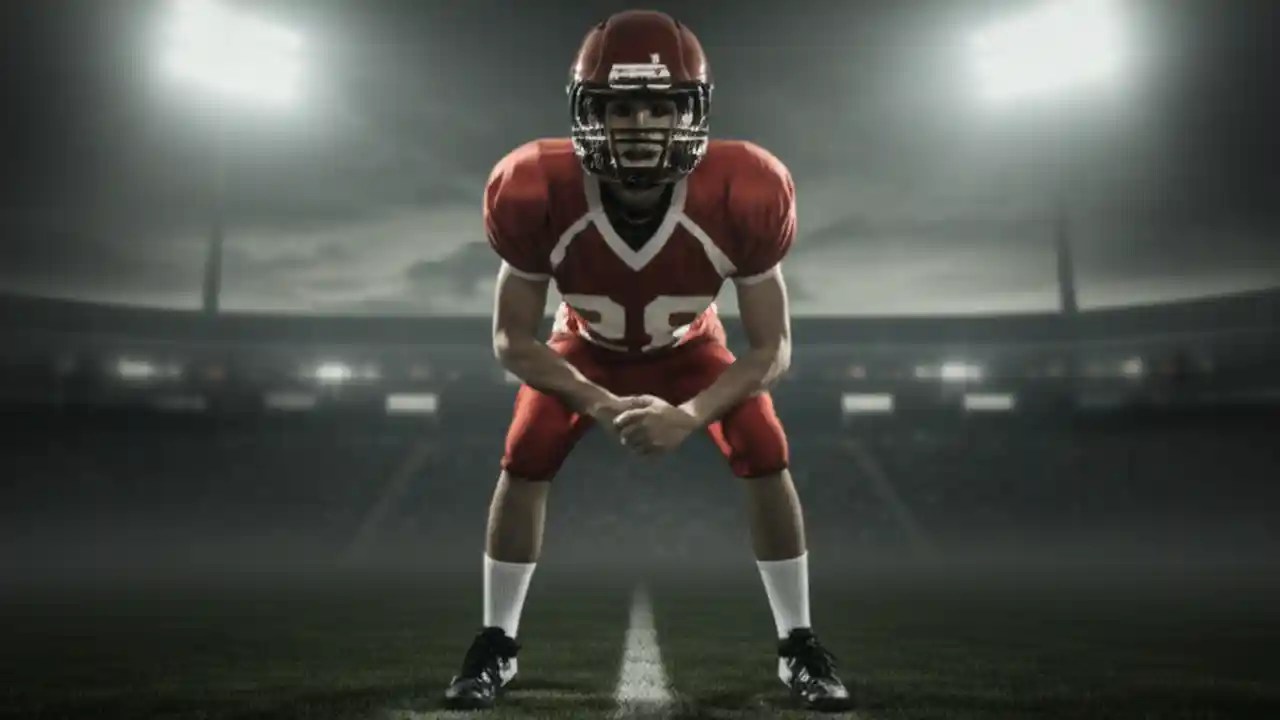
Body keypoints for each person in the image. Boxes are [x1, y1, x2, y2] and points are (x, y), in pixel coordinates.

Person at [444, 10, 852, 712]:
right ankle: (496, 643)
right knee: (526, 448)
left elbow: (771, 347)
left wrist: (691, 416)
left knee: (763, 443)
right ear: (585, 113)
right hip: (584, 350)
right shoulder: (536, 187)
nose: (638, 124)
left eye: (659, 105)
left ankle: (799, 643)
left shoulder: (743, 189)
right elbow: (513, 339)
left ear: (690, 110)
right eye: (617, 106)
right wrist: (601, 405)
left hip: (690, 349)